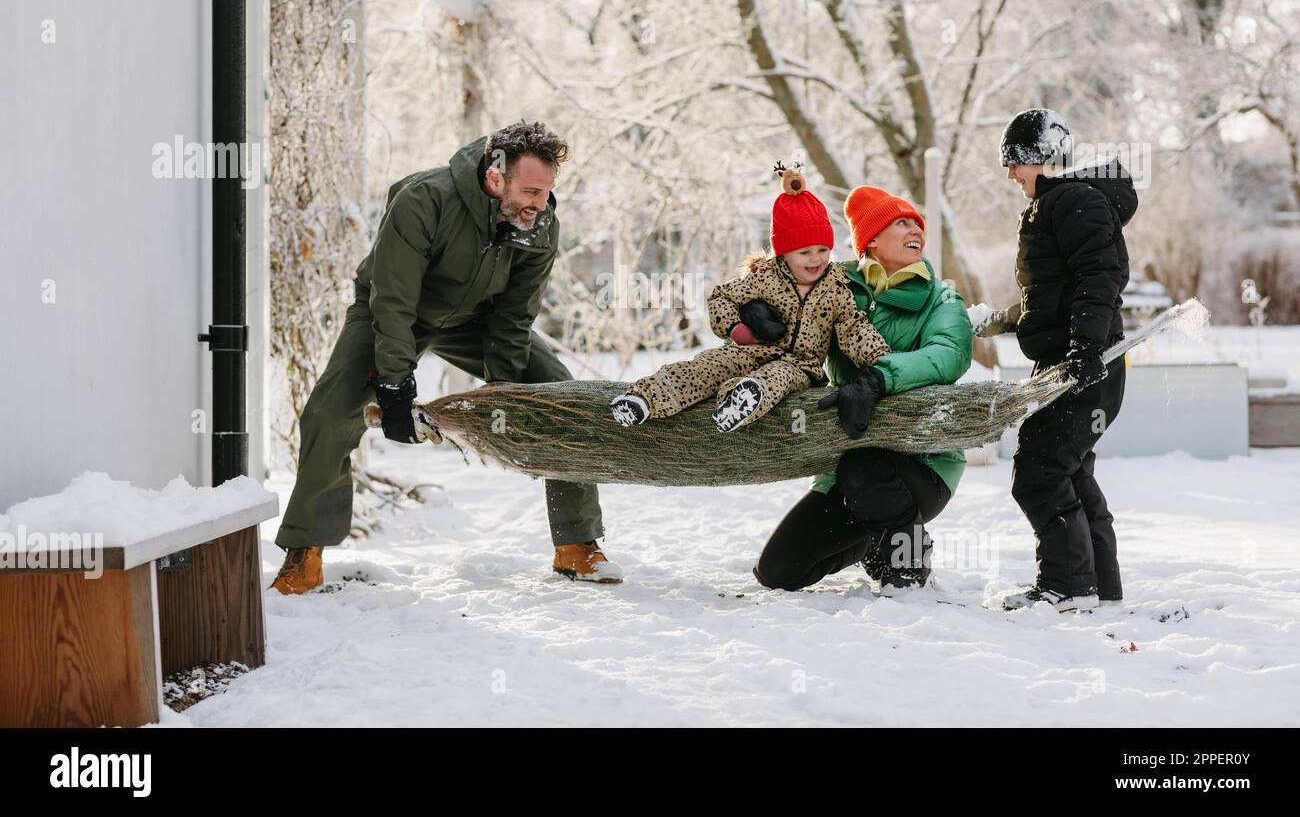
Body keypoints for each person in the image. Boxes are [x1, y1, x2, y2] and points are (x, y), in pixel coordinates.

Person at [270, 122, 622, 594]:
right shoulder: (424, 200)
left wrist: (505, 392)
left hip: (476, 322)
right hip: (395, 312)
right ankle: (304, 556)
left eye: (547, 192)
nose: (540, 204)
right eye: (532, 191)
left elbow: (513, 319)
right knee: (330, 412)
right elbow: (393, 302)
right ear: (496, 178)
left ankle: (577, 545)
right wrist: (394, 386)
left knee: (562, 394)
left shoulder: (539, 226)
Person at [753, 185, 972, 595]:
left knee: (864, 467)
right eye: (901, 223)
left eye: (916, 224)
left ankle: (909, 561)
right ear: (870, 240)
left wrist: (879, 377)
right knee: (778, 571)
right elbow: (788, 292)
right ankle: (877, 537)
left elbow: (948, 354)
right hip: (847, 459)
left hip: (921, 463)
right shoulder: (835, 288)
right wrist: (757, 316)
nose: (915, 231)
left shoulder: (941, 298)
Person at [978, 108, 1137, 613]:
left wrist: (1086, 347)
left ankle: (1068, 587)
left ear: (1039, 158)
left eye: (1014, 163)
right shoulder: (1060, 203)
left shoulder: (1072, 200)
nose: (1010, 176)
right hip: (1073, 362)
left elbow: (1100, 277)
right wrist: (1002, 319)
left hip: (1085, 365)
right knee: (1070, 472)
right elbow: (1052, 299)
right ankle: (1098, 587)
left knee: (1041, 472)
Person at [611, 164, 890, 433]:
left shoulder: (835, 287)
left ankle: (740, 402)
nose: (815, 259)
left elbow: (854, 328)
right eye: (804, 253)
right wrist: (735, 328)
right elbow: (721, 298)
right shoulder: (766, 277)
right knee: (709, 365)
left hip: (799, 367)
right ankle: (644, 399)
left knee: (777, 377)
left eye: (822, 249)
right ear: (783, 253)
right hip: (750, 351)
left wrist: (879, 358)